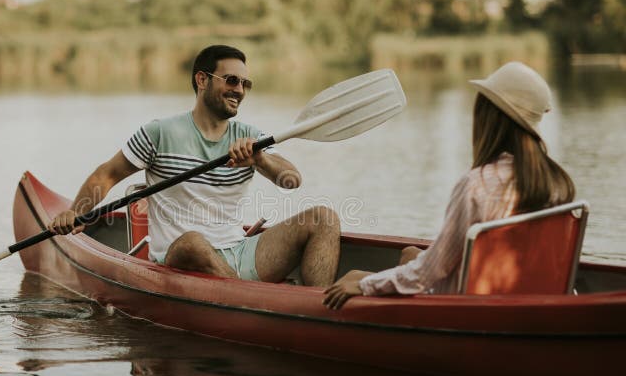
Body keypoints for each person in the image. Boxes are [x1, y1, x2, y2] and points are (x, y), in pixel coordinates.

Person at [49, 45, 341, 286]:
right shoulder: (159, 133)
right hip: (179, 258)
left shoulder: (250, 137)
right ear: (202, 80)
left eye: (244, 83)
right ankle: (249, 300)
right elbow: (106, 175)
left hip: (240, 252)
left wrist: (260, 159)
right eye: (231, 80)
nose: (239, 90)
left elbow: (291, 180)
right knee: (194, 242)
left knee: (323, 218)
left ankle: (316, 310)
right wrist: (76, 213)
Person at [324, 61, 575, 308]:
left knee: (354, 276)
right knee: (410, 253)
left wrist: (365, 285)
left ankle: (316, 303)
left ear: (487, 118)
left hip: (465, 307)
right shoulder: (557, 184)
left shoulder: (477, 186)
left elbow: (426, 275)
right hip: (520, 297)